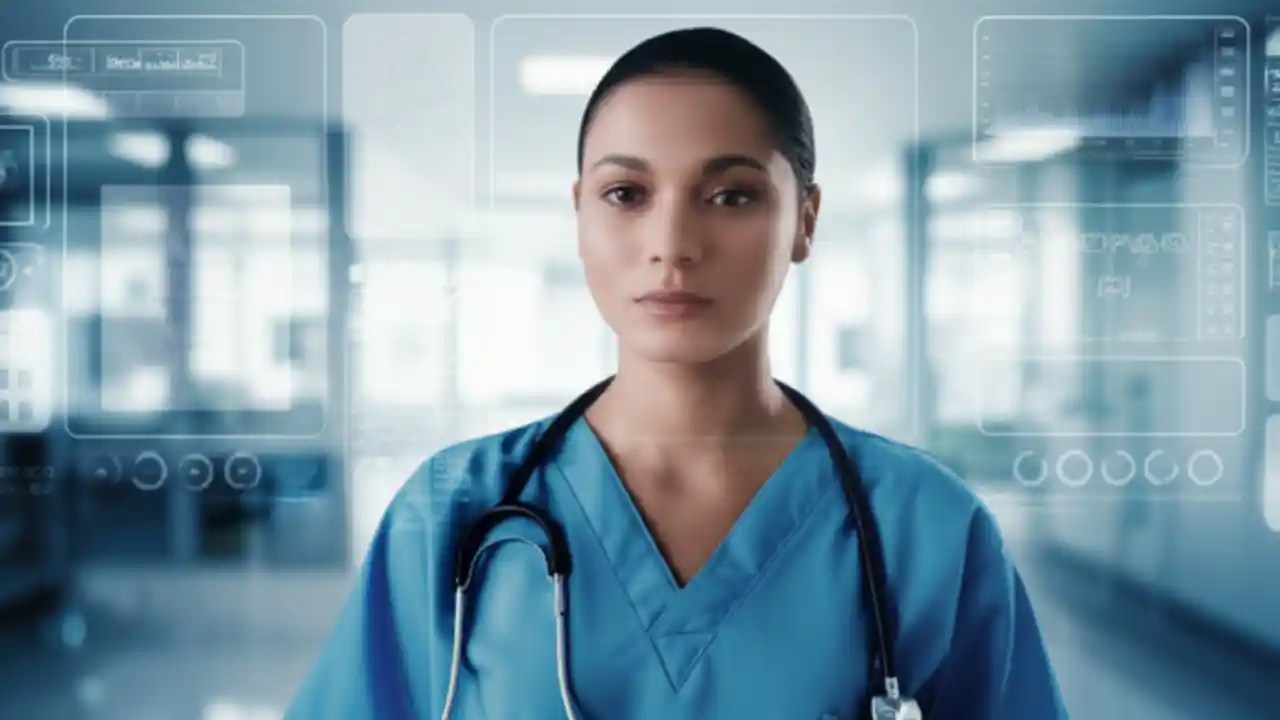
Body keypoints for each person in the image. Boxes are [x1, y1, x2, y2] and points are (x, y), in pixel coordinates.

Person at [286, 26, 1068, 719]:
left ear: (805, 219)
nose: (673, 243)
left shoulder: (926, 526)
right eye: (626, 193)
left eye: (731, 195)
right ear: (581, 213)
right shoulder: (453, 510)